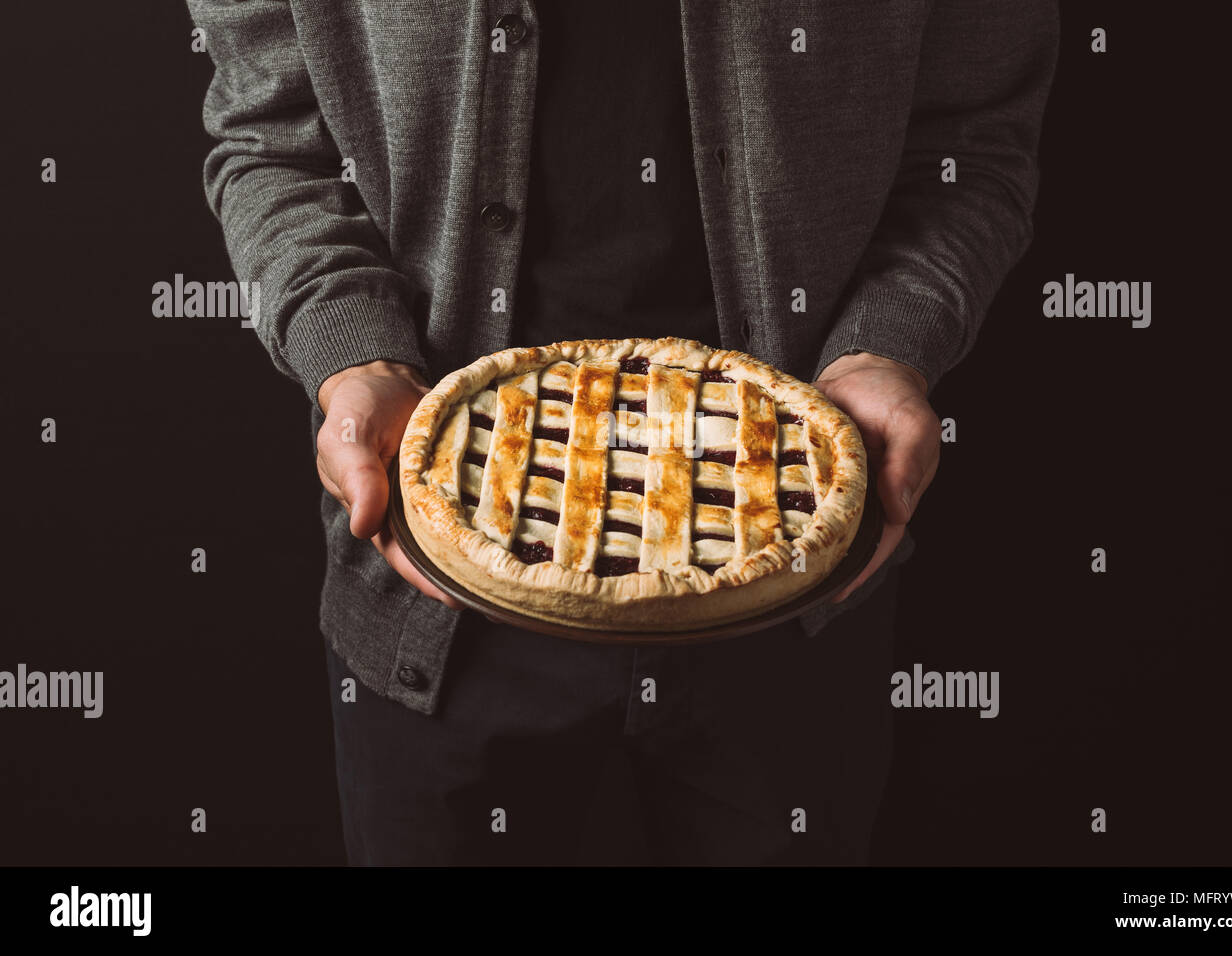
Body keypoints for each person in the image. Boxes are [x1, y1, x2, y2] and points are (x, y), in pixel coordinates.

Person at [188, 0, 1057, 864]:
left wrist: (890, 346)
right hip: (437, 583)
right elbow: (274, 144)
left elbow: (969, 145)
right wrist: (355, 357)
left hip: (791, 564)